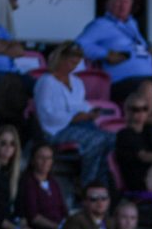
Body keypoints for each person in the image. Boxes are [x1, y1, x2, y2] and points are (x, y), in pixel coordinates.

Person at [33, 43, 113, 185]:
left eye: (76, 63)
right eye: (71, 62)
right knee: (97, 140)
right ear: (60, 59)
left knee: (111, 139)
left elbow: (81, 104)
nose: (73, 66)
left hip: (79, 125)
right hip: (56, 130)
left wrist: (90, 112)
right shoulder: (46, 82)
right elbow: (46, 114)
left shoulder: (77, 82)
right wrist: (73, 118)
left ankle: (101, 181)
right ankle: (88, 182)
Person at [76, 0, 152, 105]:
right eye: (118, 1)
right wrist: (105, 54)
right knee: (148, 87)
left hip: (147, 78)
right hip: (122, 81)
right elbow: (79, 45)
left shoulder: (132, 24)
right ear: (108, 4)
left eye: (126, 2)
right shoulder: (100, 24)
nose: (122, 5)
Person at [16, 142, 67, 229]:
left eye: (48, 158)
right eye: (41, 158)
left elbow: (63, 209)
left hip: (58, 226)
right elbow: (34, 217)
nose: (45, 162)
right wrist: (57, 227)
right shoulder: (28, 182)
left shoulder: (53, 182)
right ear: (33, 160)